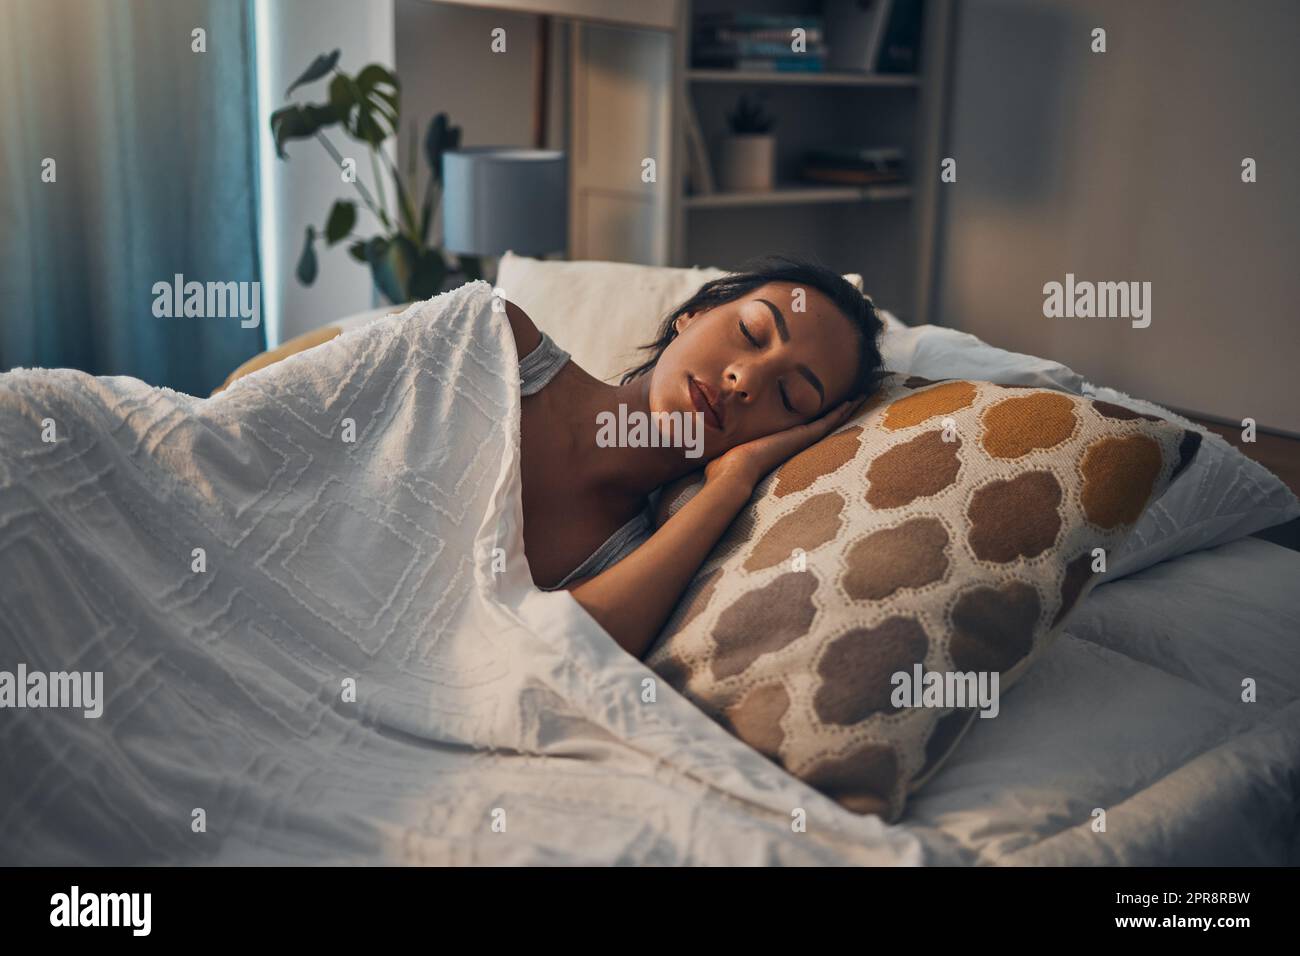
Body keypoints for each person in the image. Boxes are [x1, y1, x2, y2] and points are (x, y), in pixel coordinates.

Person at [506, 254, 886, 661]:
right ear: (693, 315)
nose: (745, 379)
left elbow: (556, 657)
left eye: (790, 395)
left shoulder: (627, 563)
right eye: (752, 332)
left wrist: (733, 480)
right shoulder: (505, 343)